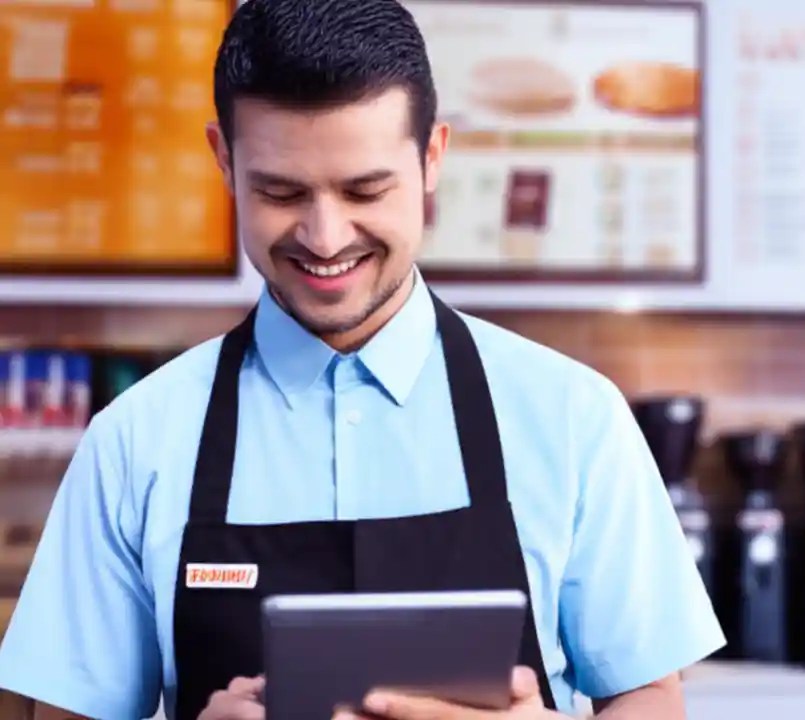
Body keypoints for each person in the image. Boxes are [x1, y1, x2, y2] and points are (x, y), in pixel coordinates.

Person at [0, 0, 724, 717]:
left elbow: (648, 694)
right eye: (281, 192)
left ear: (432, 156)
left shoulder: (573, 418)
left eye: (365, 190)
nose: (324, 236)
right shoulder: (134, 443)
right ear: (224, 160)